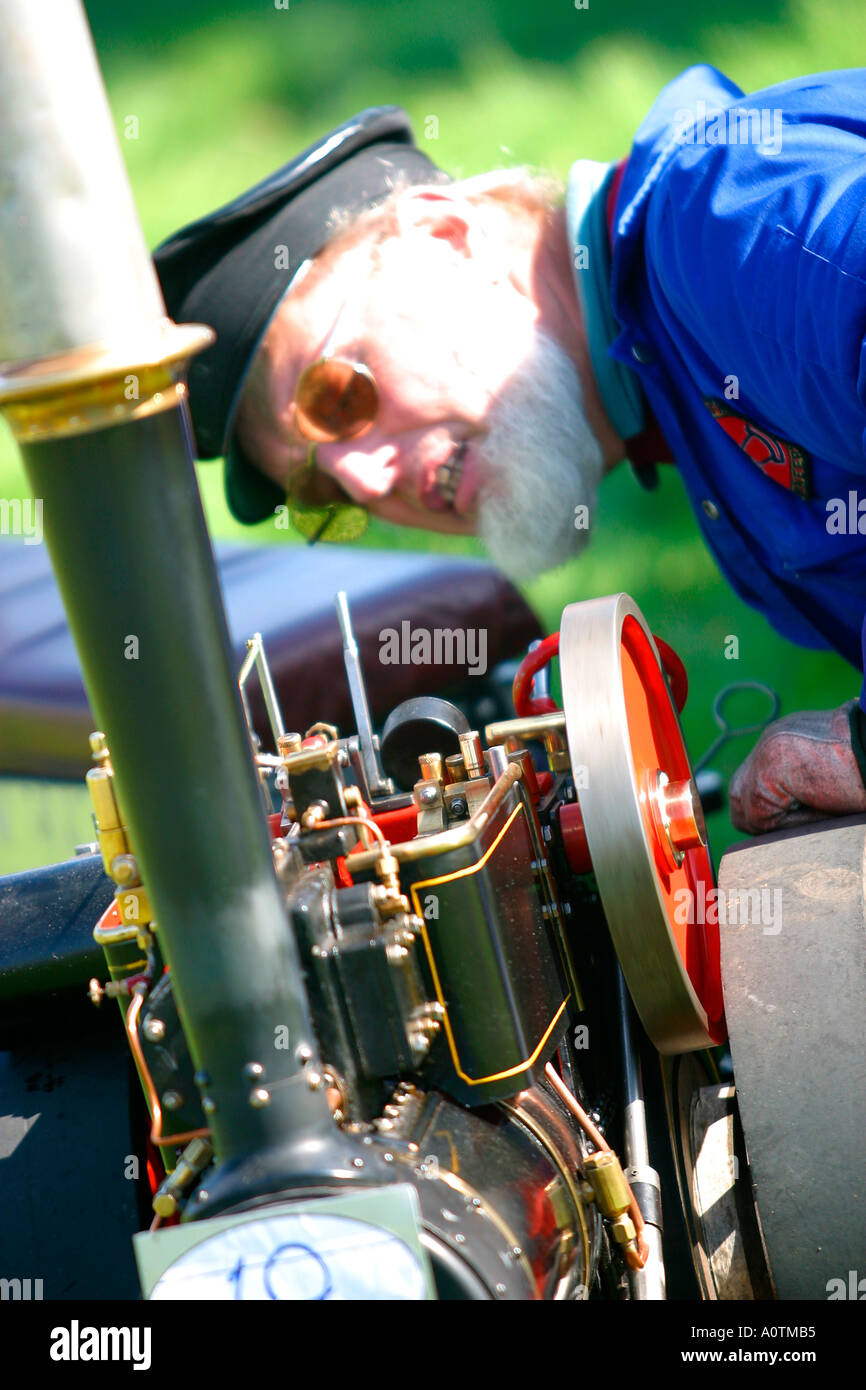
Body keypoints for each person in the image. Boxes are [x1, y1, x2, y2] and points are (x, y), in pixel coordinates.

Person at [153, 66, 866, 837]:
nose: (364, 476)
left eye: (337, 399)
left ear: (442, 239)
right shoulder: (678, 366)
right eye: (324, 497)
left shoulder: (721, 222)